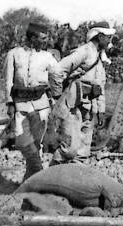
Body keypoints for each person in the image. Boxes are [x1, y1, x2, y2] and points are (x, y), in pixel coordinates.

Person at [48, 23, 115, 162]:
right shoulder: (84, 52)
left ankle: (73, 182)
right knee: (70, 149)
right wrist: (57, 95)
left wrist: (100, 111)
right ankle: (49, 179)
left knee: (82, 152)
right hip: (73, 107)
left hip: (89, 108)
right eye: (108, 38)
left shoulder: (99, 57)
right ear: (100, 36)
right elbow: (57, 71)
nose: (109, 41)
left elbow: (99, 87)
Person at [3, 20, 59, 179]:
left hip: (41, 105)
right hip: (20, 103)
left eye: (46, 38)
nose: (46, 41)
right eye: (42, 38)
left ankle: (32, 178)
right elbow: (8, 81)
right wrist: (9, 103)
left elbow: (59, 76)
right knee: (21, 141)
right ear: (32, 38)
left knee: (37, 143)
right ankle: (38, 170)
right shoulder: (14, 54)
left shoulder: (48, 57)